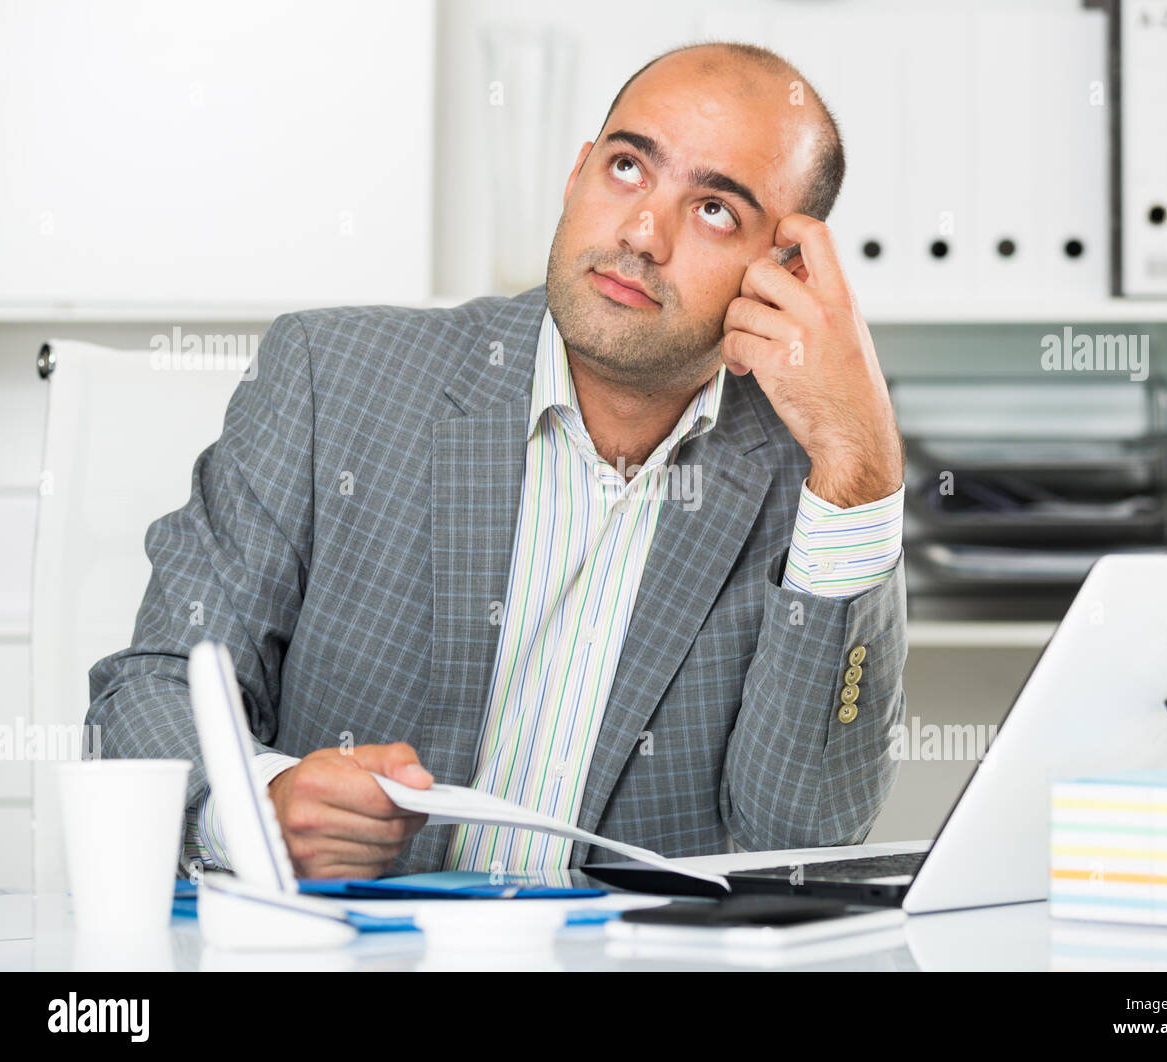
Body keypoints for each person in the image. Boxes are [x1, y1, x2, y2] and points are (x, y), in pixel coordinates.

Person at [87, 40, 908, 880]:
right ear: (577, 175)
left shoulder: (804, 480)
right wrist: (255, 807)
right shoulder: (328, 378)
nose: (641, 233)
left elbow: (803, 832)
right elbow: (145, 691)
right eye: (628, 168)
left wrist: (861, 478)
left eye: (714, 211)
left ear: (787, 271)